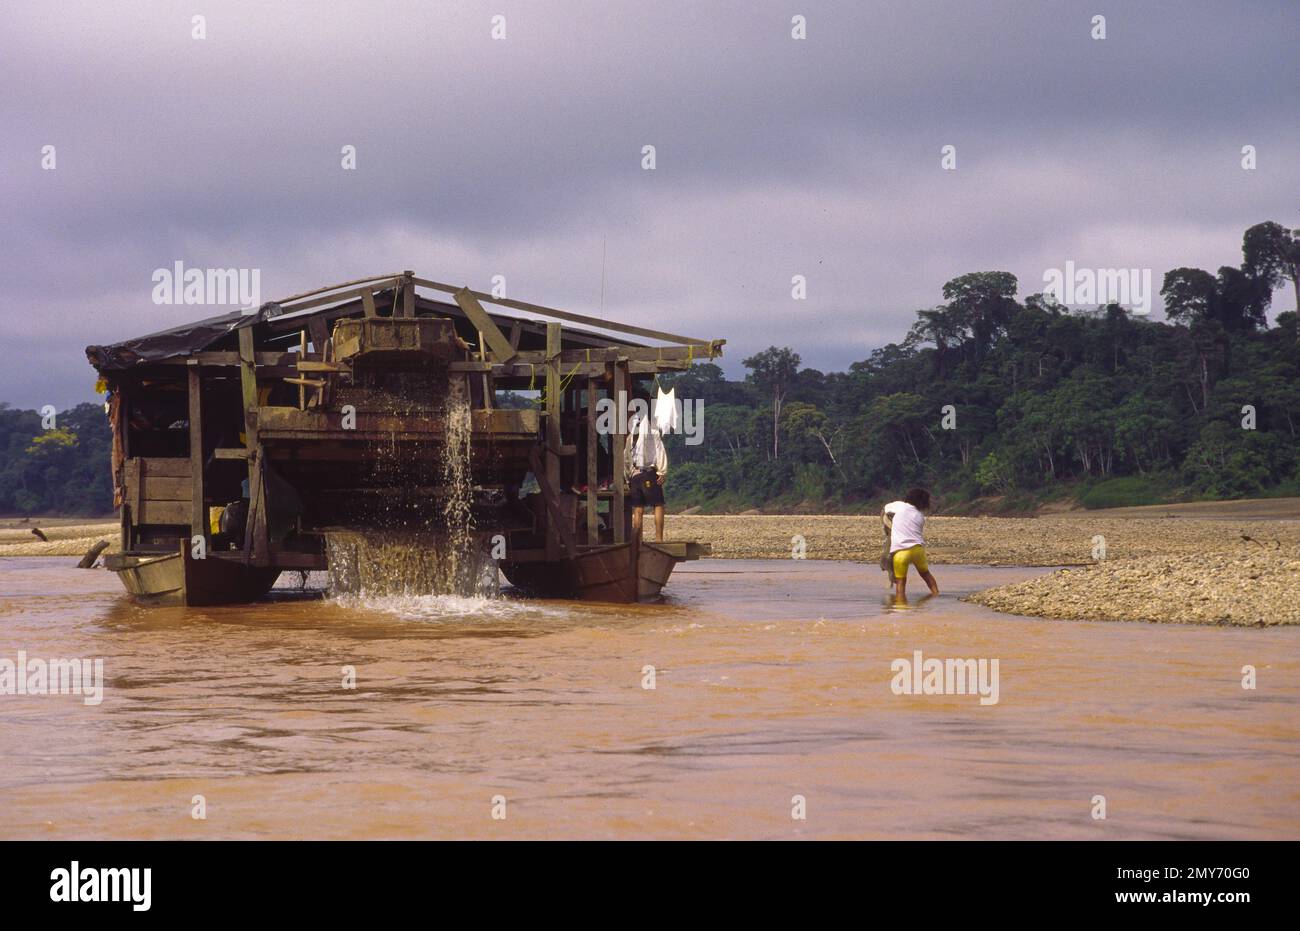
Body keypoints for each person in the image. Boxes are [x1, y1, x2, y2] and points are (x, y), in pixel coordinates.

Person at [624, 395, 668, 542]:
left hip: (634, 476)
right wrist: (662, 471)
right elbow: (659, 451)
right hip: (647, 473)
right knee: (658, 504)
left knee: (638, 508)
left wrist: (627, 477)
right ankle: (659, 539)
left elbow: (626, 459)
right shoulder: (653, 432)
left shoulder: (630, 437)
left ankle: (637, 540)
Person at [883, 488, 939, 599]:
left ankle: (900, 605)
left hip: (901, 553)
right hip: (918, 550)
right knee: (926, 575)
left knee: (901, 582)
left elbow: (886, 508)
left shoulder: (900, 507)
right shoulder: (921, 516)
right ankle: (936, 594)